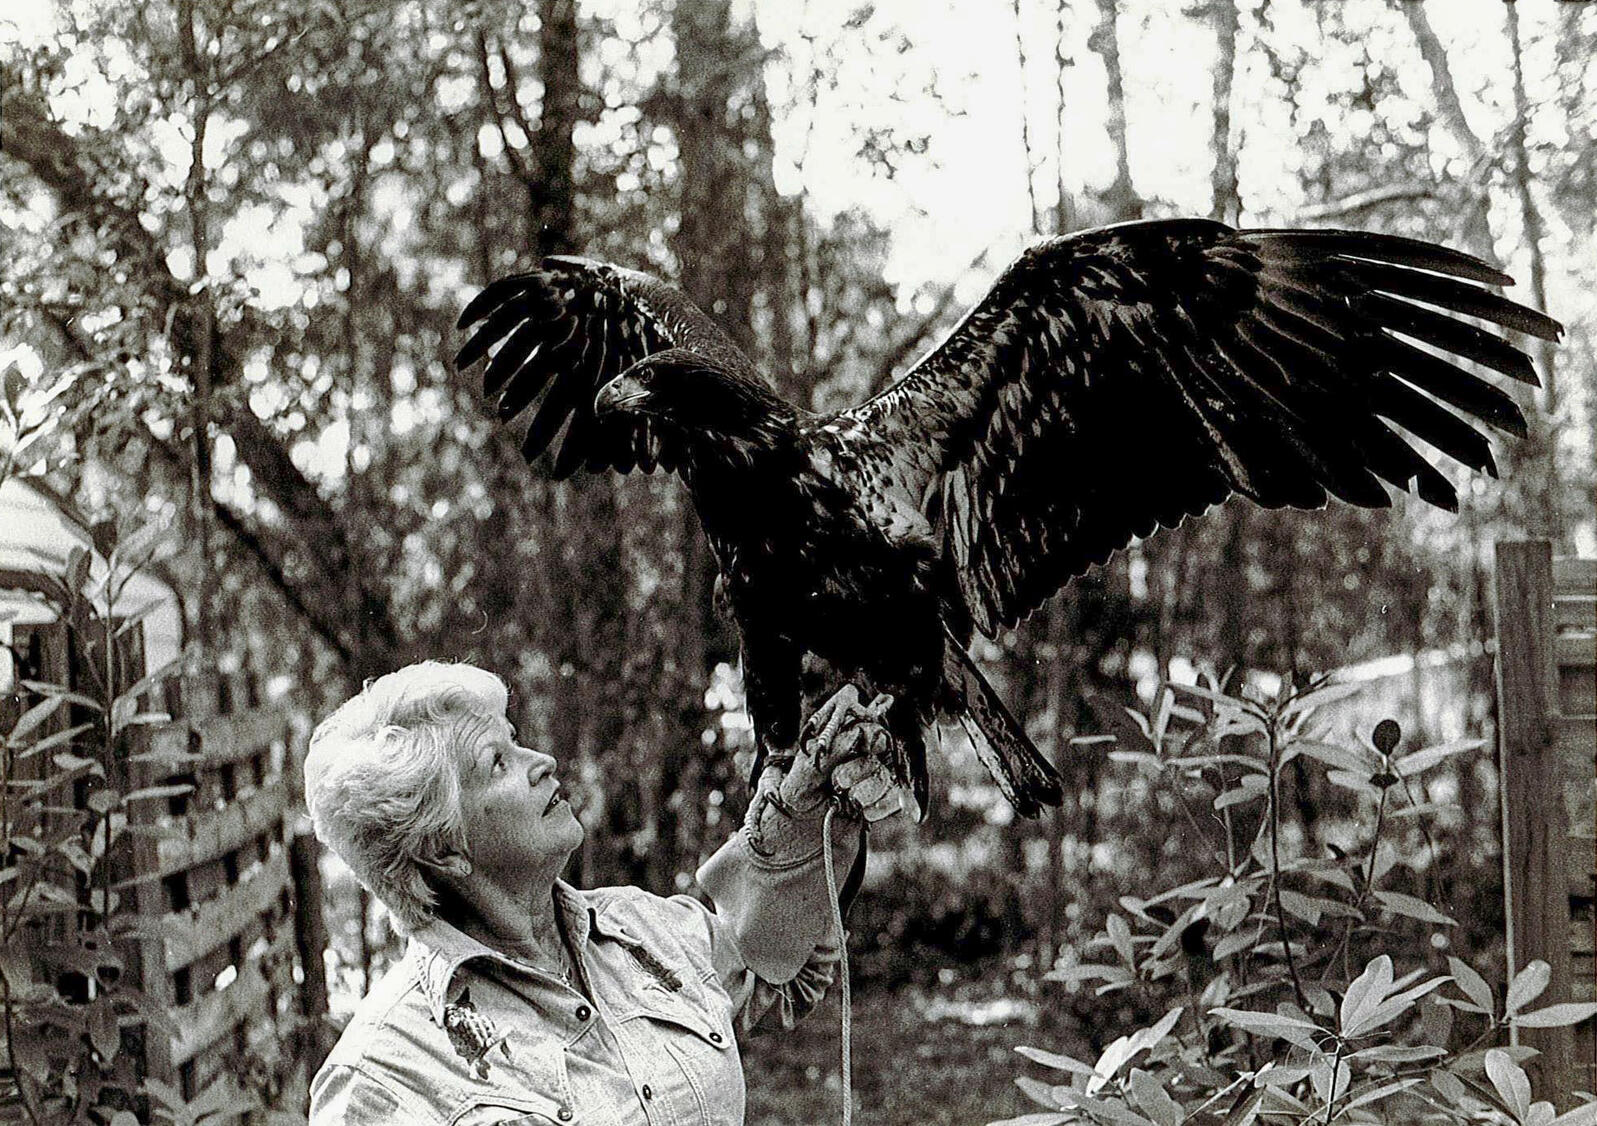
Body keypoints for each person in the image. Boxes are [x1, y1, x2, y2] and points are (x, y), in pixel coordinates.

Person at [303, 660, 902, 1125]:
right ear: (444, 849)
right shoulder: (383, 1074)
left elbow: (774, 963)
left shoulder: (643, 934)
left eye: (516, 740)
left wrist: (809, 803)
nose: (541, 760)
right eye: (497, 762)